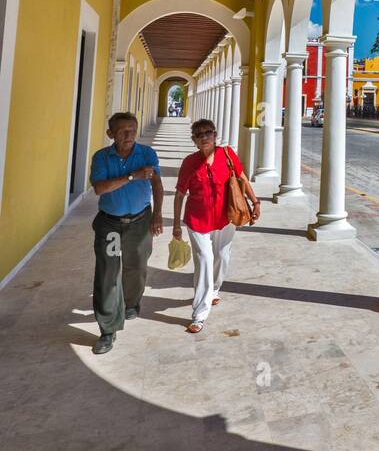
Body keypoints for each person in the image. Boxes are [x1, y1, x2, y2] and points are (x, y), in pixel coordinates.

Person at [173, 119, 260, 333]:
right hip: (197, 220)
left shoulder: (227, 154)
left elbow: (242, 179)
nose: (204, 137)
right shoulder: (189, 163)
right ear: (194, 140)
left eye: (208, 133)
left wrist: (255, 202)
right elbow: (179, 194)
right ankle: (199, 314)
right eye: (199, 134)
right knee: (204, 260)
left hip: (225, 217)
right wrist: (175, 223)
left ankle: (214, 290)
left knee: (222, 256)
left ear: (215, 134)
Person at [89, 112, 164, 356]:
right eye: (123, 131)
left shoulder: (147, 154)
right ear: (111, 134)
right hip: (110, 224)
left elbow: (157, 184)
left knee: (137, 266)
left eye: (132, 129)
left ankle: (131, 302)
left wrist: (158, 214)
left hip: (140, 221)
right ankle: (108, 329)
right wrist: (132, 176)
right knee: (107, 272)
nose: (129, 135)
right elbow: (100, 188)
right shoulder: (102, 157)